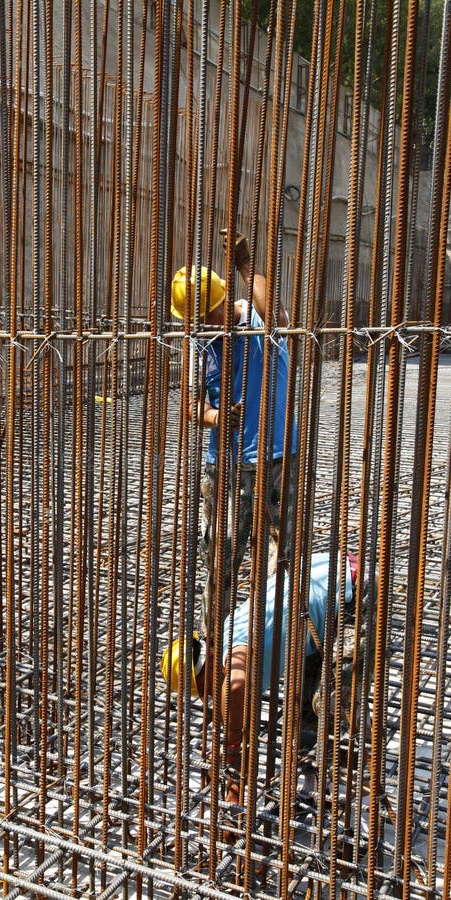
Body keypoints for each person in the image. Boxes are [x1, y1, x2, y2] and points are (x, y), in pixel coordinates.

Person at [161, 551, 368, 832]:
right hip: (317, 604)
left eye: (203, 687)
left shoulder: (236, 648)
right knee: (304, 705)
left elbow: (236, 687)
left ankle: (359, 801)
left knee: (332, 702)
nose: (208, 694)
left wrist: (231, 751)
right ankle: (313, 788)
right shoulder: (225, 643)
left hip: (353, 590)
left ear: (207, 660)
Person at [170, 234, 298, 630]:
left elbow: (278, 317)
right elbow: (190, 405)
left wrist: (246, 265)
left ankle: (271, 637)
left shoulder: (257, 321)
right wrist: (216, 417)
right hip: (224, 468)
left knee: (281, 557)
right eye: (194, 321)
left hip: (276, 460)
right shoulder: (199, 345)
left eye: (207, 316)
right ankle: (215, 642)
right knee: (220, 561)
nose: (202, 326)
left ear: (225, 300)